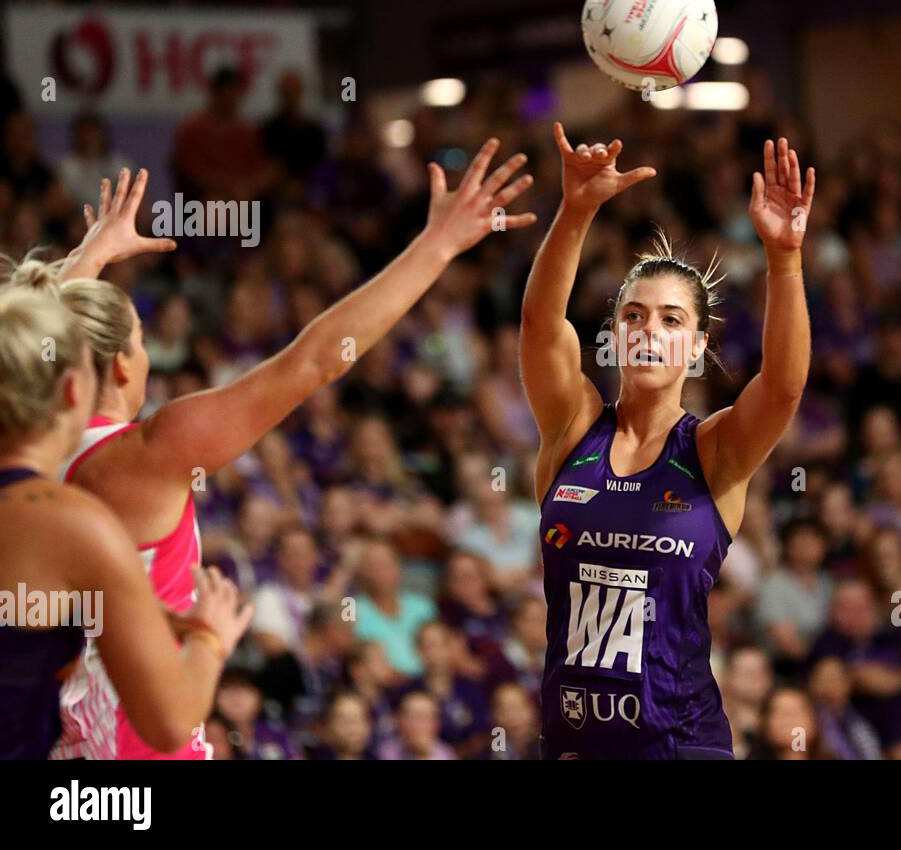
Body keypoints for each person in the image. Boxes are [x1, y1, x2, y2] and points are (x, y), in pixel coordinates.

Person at [7, 141, 535, 759]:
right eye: (144, 340)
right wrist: (437, 245)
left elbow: (37, 340)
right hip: (143, 732)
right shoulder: (152, 452)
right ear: (124, 366)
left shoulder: (30, 446)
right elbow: (313, 361)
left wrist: (89, 255)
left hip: (69, 738)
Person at [520, 124, 815, 759]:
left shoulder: (711, 451)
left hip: (681, 746)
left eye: (672, 319)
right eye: (633, 315)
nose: (649, 329)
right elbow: (540, 327)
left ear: (699, 346)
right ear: (614, 333)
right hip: (571, 745)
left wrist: (785, 259)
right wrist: (575, 212)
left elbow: (785, 388)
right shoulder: (572, 432)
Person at [0, 287, 251, 759]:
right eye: (139, 339)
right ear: (75, 388)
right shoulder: (76, 521)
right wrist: (209, 636)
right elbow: (170, 723)